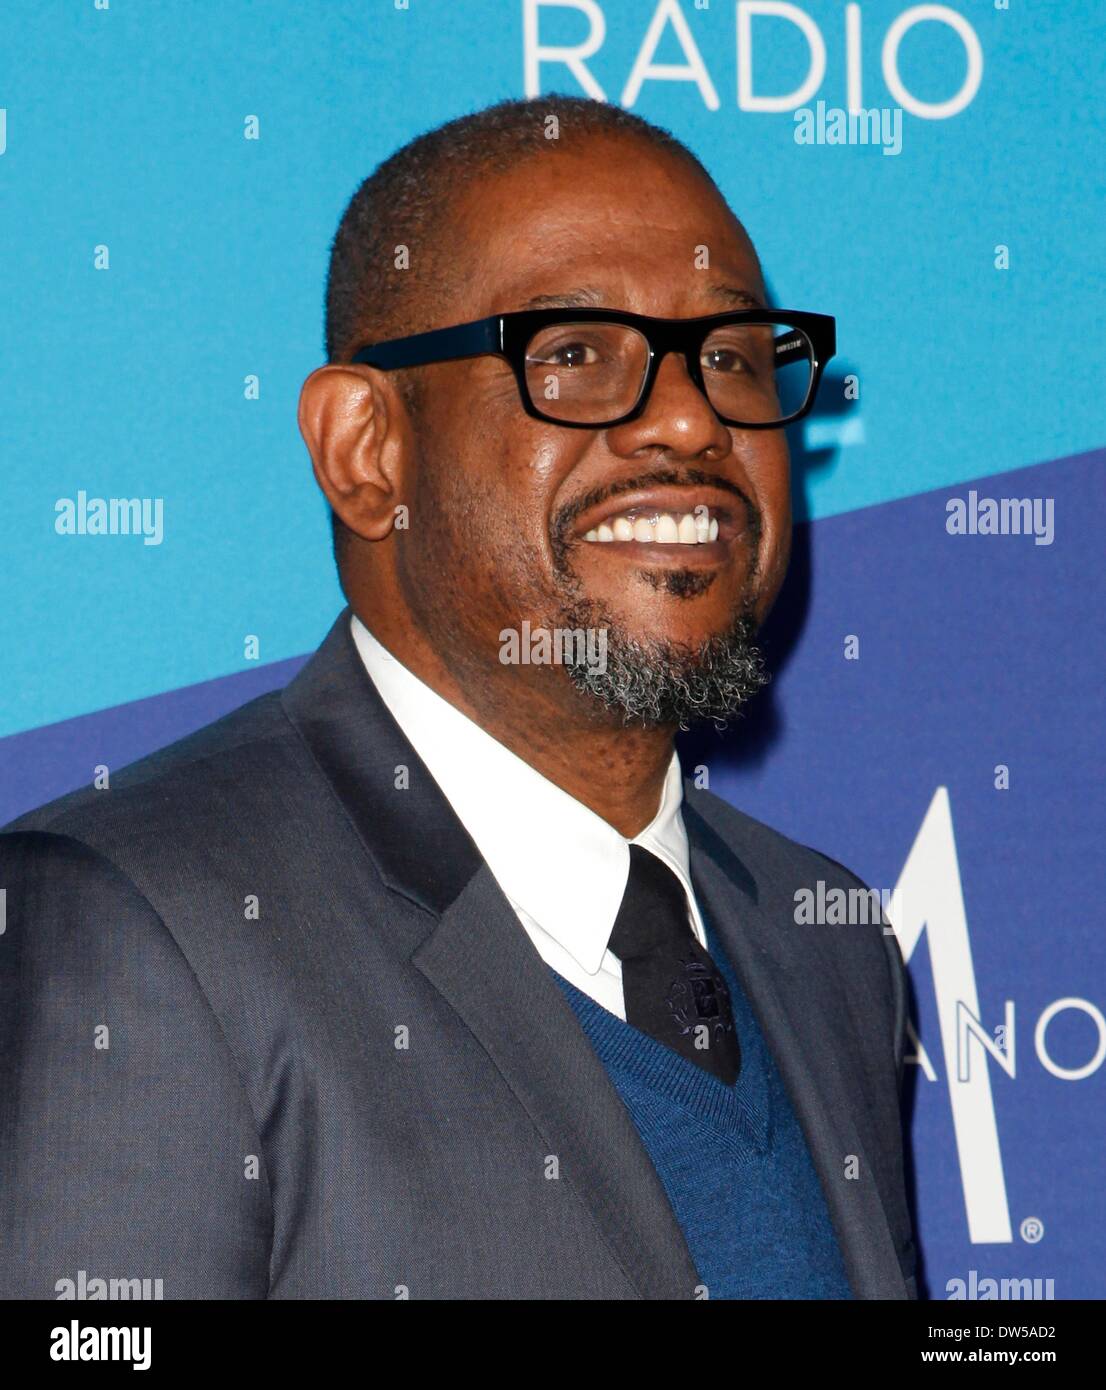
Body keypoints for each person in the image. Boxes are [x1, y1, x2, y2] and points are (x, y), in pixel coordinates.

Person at [0, 96, 916, 1299]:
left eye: (735, 356)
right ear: (366, 449)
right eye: (576, 353)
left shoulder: (822, 935)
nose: (693, 418)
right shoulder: (140, 929)